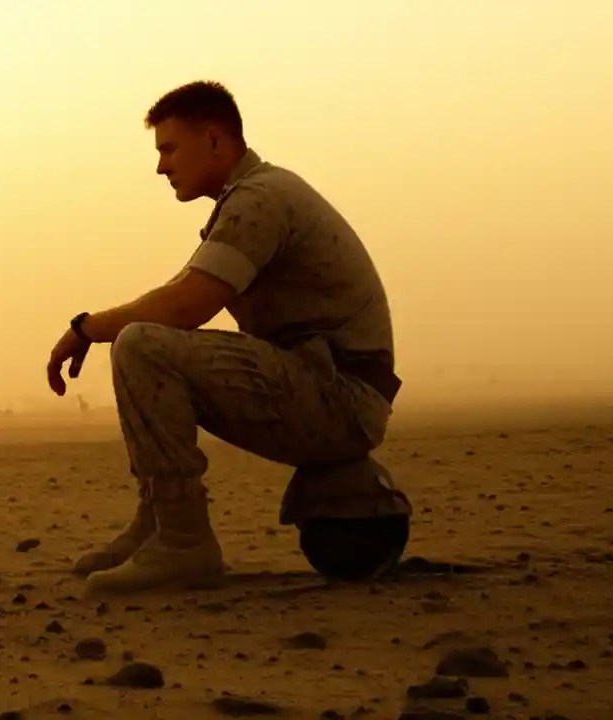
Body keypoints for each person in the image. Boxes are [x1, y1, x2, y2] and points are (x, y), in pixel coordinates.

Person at [45, 80, 402, 595]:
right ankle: (159, 526)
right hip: (326, 388)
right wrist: (99, 326)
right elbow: (179, 290)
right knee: (142, 340)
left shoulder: (261, 199)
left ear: (214, 140)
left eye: (169, 148)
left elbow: (186, 306)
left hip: (339, 399)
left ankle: (184, 543)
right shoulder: (249, 199)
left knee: (144, 346)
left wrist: (86, 328)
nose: (161, 167)